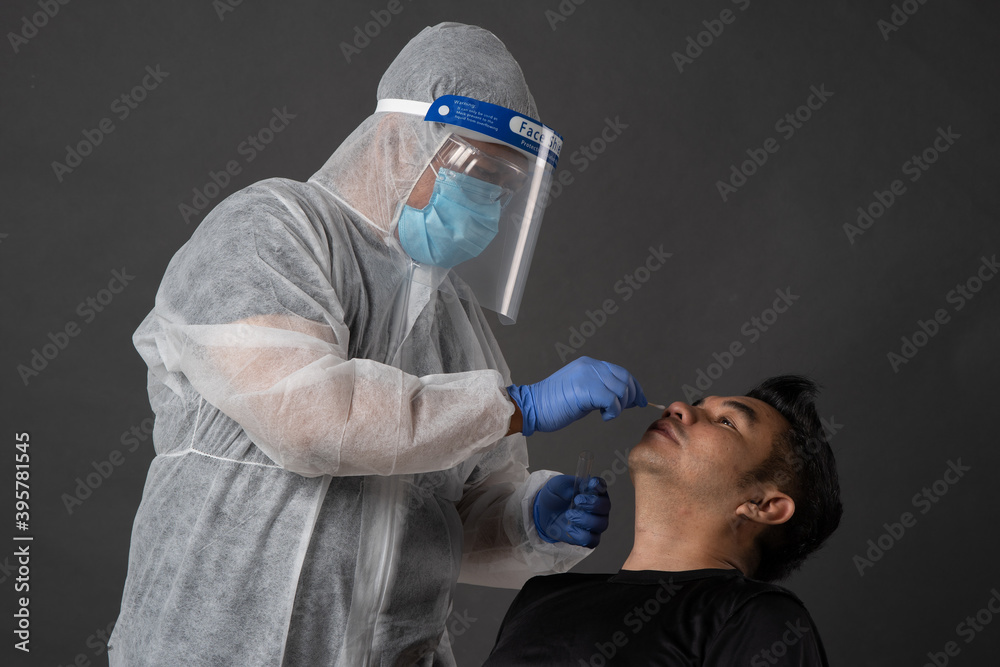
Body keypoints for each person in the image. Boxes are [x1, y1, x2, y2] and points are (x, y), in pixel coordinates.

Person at [108, 23, 646, 667]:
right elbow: (312, 423)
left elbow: (444, 510)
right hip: (214, 644)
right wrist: (520, 404)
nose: (489, 204)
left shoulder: (454, 323)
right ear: (398, 139)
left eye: (505, 187)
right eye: (476, 170)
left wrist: (528, 520)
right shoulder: (271, 232)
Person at [485, 376, 843, 666]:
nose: (680, 408)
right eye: (698, 404)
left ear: (762, 504)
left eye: (726, 422)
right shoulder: (541, 596)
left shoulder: (757, 618)